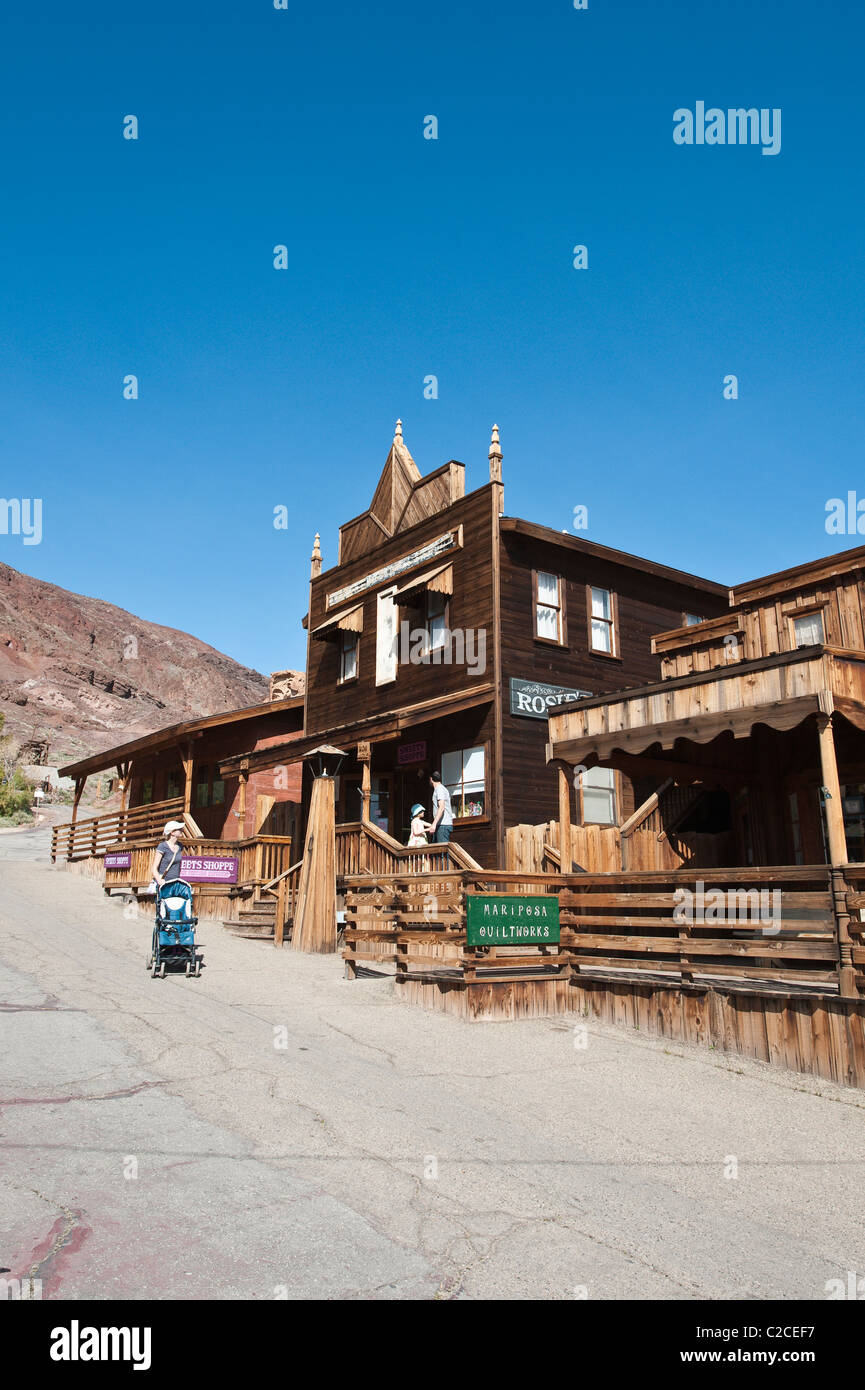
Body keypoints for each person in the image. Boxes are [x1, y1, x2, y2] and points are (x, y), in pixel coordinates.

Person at [150, 819, 185, 891]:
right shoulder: (163, 846)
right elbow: (154, 868)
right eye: (179, 829)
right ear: (172, 832)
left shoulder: (180, 846)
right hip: (164, 884)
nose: (182, 830)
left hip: (175, 884)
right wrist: (159, 881)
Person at [428, 771, 454, 843]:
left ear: (431, 779)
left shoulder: (439, 789)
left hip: (443, 825)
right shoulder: (442, 789)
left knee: (442, 851)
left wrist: (433, 824)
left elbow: (441, 807)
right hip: (441, 825)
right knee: (437, 851)